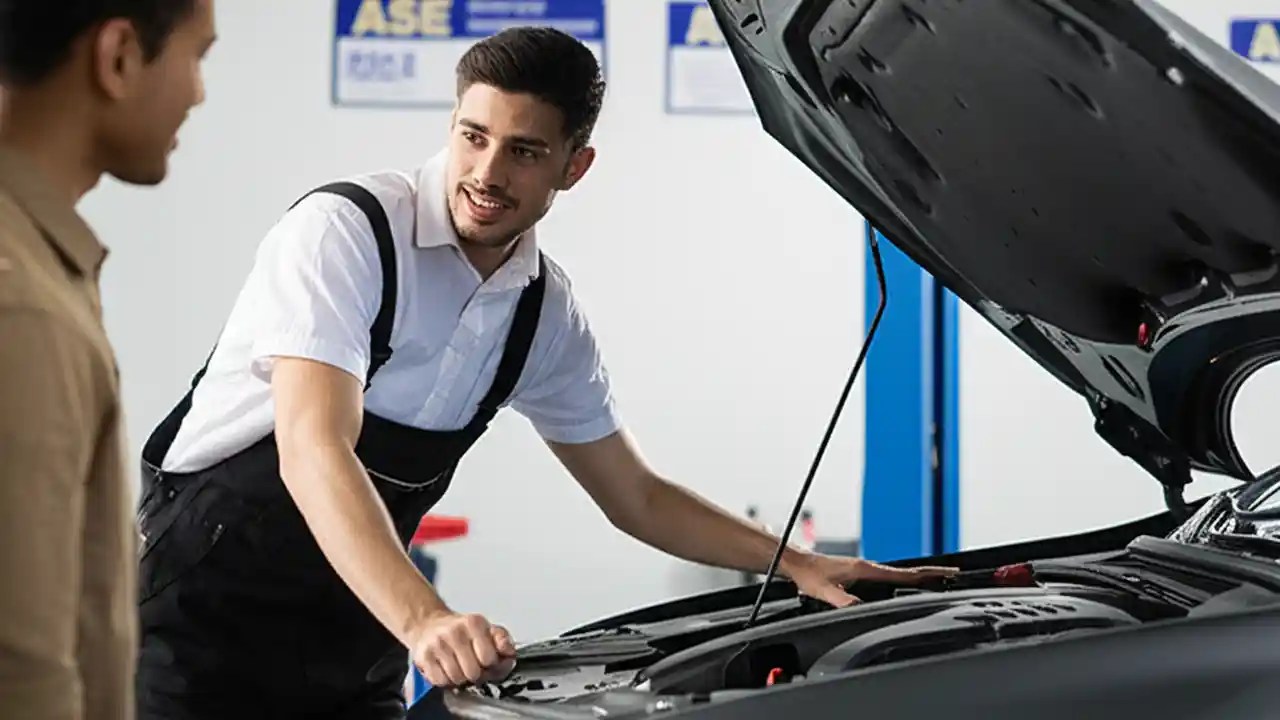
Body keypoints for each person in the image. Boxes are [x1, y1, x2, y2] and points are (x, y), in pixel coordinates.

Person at [135, 25, 957, 719]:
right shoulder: (346, 235)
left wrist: (795, 562)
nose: (487, 173)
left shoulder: (541, 313)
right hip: (195, 623)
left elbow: (634, 494)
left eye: (524, 151)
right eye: (473, 136)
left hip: (354, 639)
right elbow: (313, 449)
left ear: (574, 165)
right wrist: (424, 621)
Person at [0, 2, 217, 720]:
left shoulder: (40, 264)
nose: (198, 91)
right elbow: (22, 668)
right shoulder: (23, 307)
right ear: (120, 55)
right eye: (196, 56)